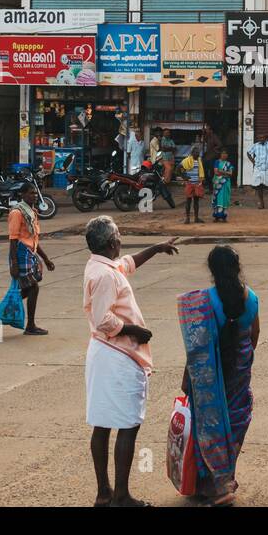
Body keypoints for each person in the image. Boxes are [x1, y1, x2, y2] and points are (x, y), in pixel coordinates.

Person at [83, 216, 180, 507]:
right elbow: (103, 319)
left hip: (106, 354)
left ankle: (104, 494)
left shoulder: (101, 265)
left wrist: (156, 248)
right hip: (117, 355)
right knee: (127, 424)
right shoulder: (105, 276)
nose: (121, 240)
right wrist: (135, 331)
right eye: (119, 236)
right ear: (112, 243)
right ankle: (120, 497)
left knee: (102, 424)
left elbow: (128, 263)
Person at [177, 245, 260, 506]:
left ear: (212, 271)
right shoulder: (252, 298)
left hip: (210, 374)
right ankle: (226, 478)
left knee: (209, 423)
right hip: (239, 367)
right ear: (237, 268)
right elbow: (254, 336)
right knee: (237, 419)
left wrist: (188, 375)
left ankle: (213, 483)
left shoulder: (202, 301)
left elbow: (197, 347)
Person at [0, 180, 55, 335]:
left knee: (26, 289)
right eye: (31, 193)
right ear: (22, 195)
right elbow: (13, 239)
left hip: (30, 253)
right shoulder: (17, 213)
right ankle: (30, 326)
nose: (34, 196)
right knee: (33, 288)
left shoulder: (32, 212)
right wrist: (14, 263)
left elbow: (34, 239)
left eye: (35, 193)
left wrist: (45, 258)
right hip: (21, 254)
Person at [247, 133, 268, 209]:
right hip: (258, 168)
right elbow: (248, 153)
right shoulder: (255, 145)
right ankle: (262, 204)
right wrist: (253, 161)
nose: (261, 139)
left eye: (263, 137)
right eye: (260, 138)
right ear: (258, 139)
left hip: (267, 169)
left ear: (265, 138)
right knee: (259, 187)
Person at [181, 146, 207, 224]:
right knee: (188, 201)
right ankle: (187, 218)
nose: (198, 154)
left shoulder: (199, 161)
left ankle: (196, 218)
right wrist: (184, 177)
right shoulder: (186, 161)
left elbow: (200, 172)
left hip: (197, 183)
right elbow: (178, 169)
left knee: (196, 201)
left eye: (198, 153)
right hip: (189, 183)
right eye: (196, 152)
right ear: (192, 153)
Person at [212, 149, 235, 222]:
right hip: (217, 183)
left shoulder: (229, 163)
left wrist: (221, 171)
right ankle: (217, 216)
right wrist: (226, 173)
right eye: (223, 153)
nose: (224, 155)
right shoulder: (217, 162)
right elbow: (216, 172)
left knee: (225, 198)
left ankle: (224, 216)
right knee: (217, 198)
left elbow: (231, 174)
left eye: (226, 154)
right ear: (220, 154)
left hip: (225, 184)